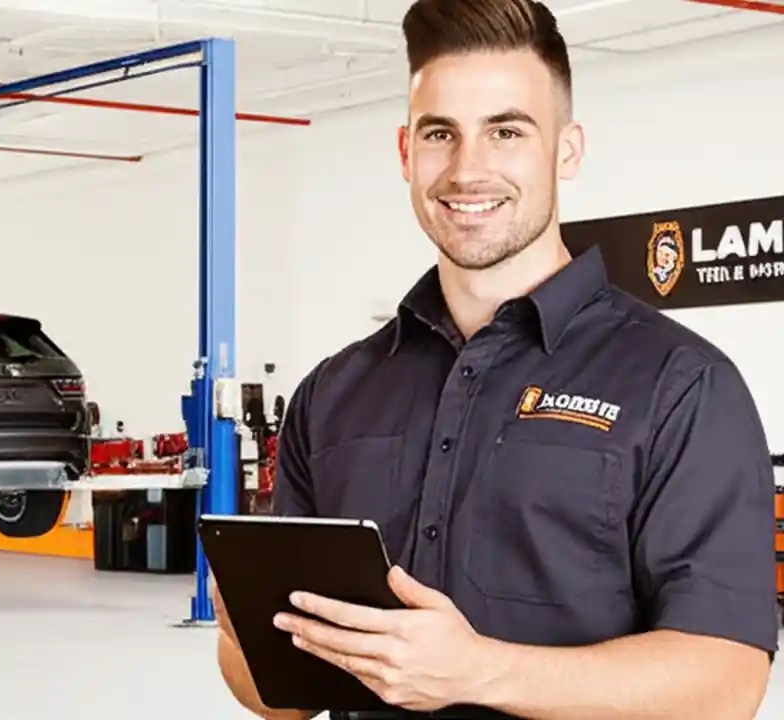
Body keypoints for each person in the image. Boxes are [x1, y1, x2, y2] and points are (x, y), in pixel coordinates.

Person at [214, 0, 780, 718]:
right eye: (439, 133)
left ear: (566, 150)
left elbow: (726, 684)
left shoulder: (681, 385)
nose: (466, 168)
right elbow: (282, 701)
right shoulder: (334, 393)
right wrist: (245, 643)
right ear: (404, 152)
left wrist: (479, 673)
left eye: (506, 131)